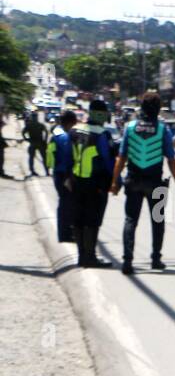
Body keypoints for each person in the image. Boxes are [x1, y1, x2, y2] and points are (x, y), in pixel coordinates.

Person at [109, 91, 175, 274]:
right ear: (158, 110)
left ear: (141, 108)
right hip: (155, 182)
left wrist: (114, 181)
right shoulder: (162, 129)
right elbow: (171, 159)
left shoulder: (130, 127)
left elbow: (121, 157)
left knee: (130, 220)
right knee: (158, 220)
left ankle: (127, 261)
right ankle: (156, 259)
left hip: (133, 180)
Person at [67, 101, 115, 268]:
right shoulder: (102, 134)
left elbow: (66, 156)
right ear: (102, 115)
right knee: (92, 221)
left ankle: (82, 256)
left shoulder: (74, 130)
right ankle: (90, 257)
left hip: (75, 181)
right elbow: (108, 163)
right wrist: (112, 182)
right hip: (95, 185)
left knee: (78, 219)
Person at [47, 110, 77, 244]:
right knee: (66, 204)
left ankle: (65, 233)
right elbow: (67, 158)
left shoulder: (56, 134)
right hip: (63, 174)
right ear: (71, 122)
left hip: (57, 173)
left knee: (65, 203)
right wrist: (68, 177)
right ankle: (65, 234)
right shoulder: (65, 137)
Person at [23, 110, 49, 177]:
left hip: (33, 142)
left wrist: (27, 139)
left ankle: (32, 171)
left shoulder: (29, 125)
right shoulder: (40, 125)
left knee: (32, 157)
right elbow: (46, 132)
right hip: (39, 142)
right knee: (44, 158)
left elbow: (23, 132)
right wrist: (45, 140)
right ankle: (46, 171)